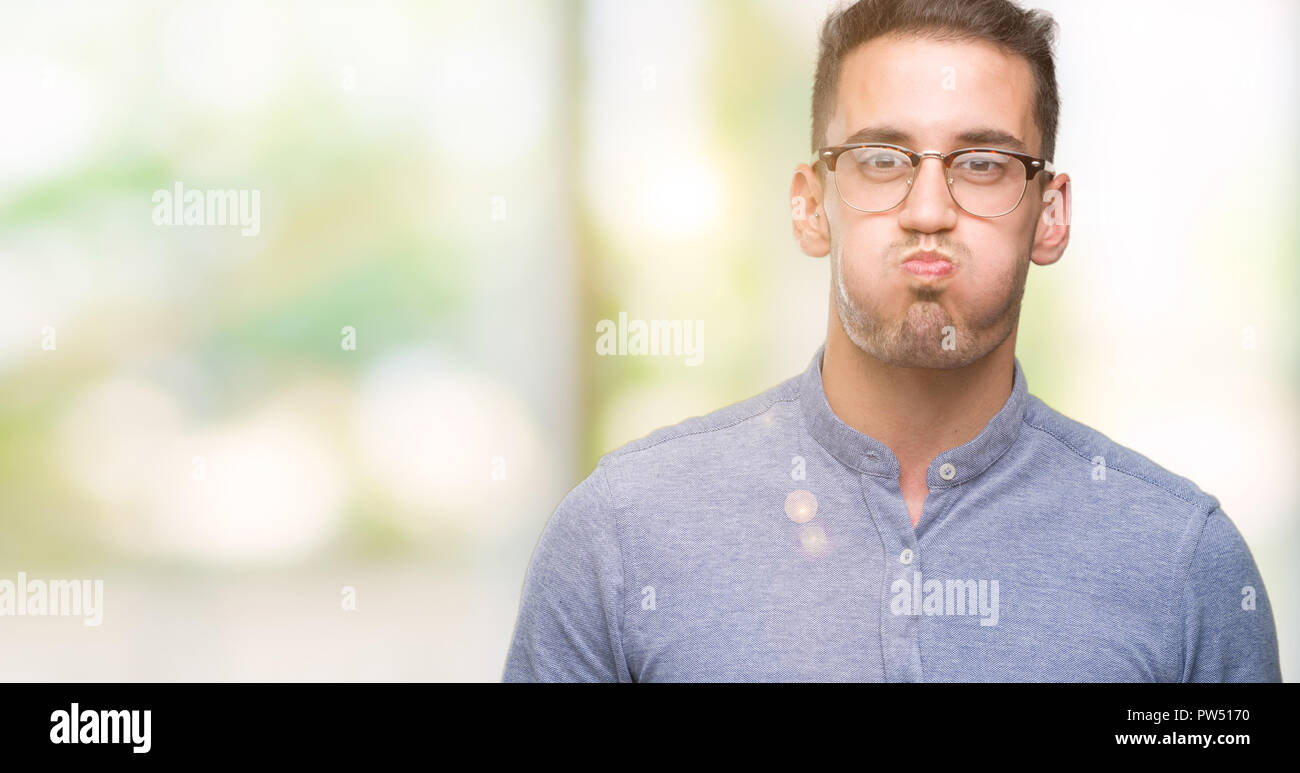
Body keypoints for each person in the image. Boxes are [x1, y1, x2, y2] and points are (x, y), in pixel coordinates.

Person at [503, 0, 1282, 682]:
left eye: (982, 162)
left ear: (1050, 214)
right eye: (881, 159)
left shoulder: (1185, 563)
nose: (929, 208)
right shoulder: (620, 533)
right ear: (811, 207)